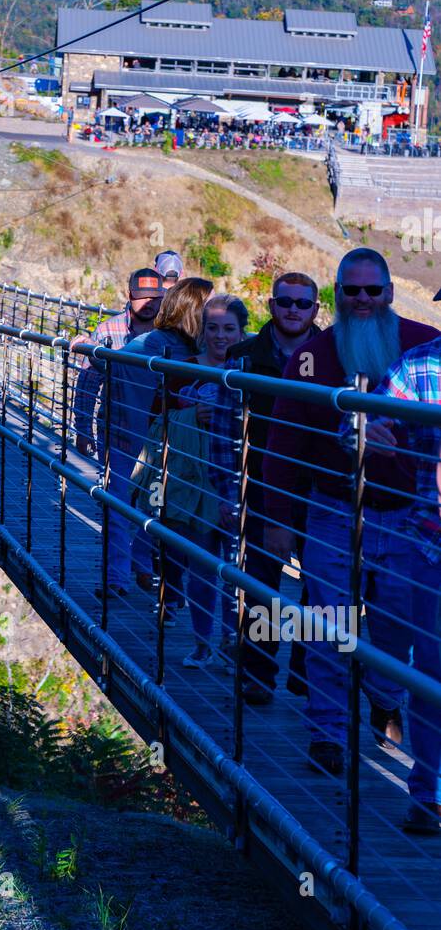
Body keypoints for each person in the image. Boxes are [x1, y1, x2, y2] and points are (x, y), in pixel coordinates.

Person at [264, 249, 439, 776]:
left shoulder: (421, 346)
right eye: (351, 291)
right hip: (333, 510)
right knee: (328, 624)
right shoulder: (310, 357)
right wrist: (276, 519)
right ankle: (327, 733)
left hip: (409, 519)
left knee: (395, 630)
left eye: (373, 291)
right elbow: (283, 442)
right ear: (336, 295)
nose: (362, 301)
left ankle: (384, 694)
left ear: (388, 292)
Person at [204, 273, 322, 703]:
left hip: (318, 488)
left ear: (315, 310)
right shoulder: (243, 358)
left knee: (322, 586)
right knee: (261, 584)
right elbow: (223, 430)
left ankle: (307, 674)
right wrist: (227, 491)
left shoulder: (331, 356)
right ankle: (258, 673)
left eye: (303, 303)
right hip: (259, 485)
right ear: (272, 306)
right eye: (285, 301)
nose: (294, 309)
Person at [354, 329, 441, 831]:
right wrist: (370, 433)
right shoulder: (419, 367)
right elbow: (363, 421)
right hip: (433, 541)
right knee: (431, 670)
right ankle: (430, 795)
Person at [102, 278, 213, 600]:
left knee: (152, 505)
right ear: (193, 309)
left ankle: (132, 566)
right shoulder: (156, 344)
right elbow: (113, 363)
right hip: (137, 439)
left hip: (161, 442)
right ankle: (119, 576)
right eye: (210, 306)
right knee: (126, 502)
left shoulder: (201, 348)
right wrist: (91, 352)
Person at [169, 295, 250, 667]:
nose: (220, 336)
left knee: (237, 572)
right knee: (201, 570)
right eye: (213, 328)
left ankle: (234, 643)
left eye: (229, 328)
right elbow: (159, 415)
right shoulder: (186, 368)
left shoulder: (253, 368)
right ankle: (203, 643)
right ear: (202, 331)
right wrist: (189, 412)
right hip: (196, 480)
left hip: (238, 482)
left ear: (241, 330)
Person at [73, 269, 165, 462]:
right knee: (114, 489)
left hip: (158, 433)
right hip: (116, 431)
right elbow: (87, 385)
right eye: (142, 297)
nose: (148, 302)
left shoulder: (170, 334)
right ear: (129, 295)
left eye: (154, 297)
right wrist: (83, 429)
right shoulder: (106, 330)